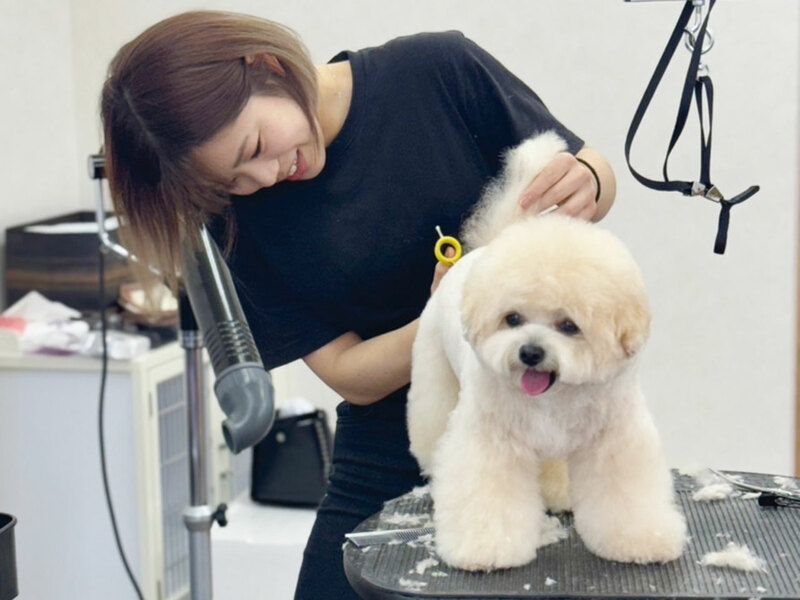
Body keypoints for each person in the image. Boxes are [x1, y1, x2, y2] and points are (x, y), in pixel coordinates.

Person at [101, 10, 617, 599]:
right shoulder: (237, 221)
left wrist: (589, 180)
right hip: (387, 449)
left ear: (266, 67)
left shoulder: (435, 70)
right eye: (234, 180)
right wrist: (452, 313)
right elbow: (350, 374)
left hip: (542, 432)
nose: (266, 177)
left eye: (257, 146)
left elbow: (595, 175)